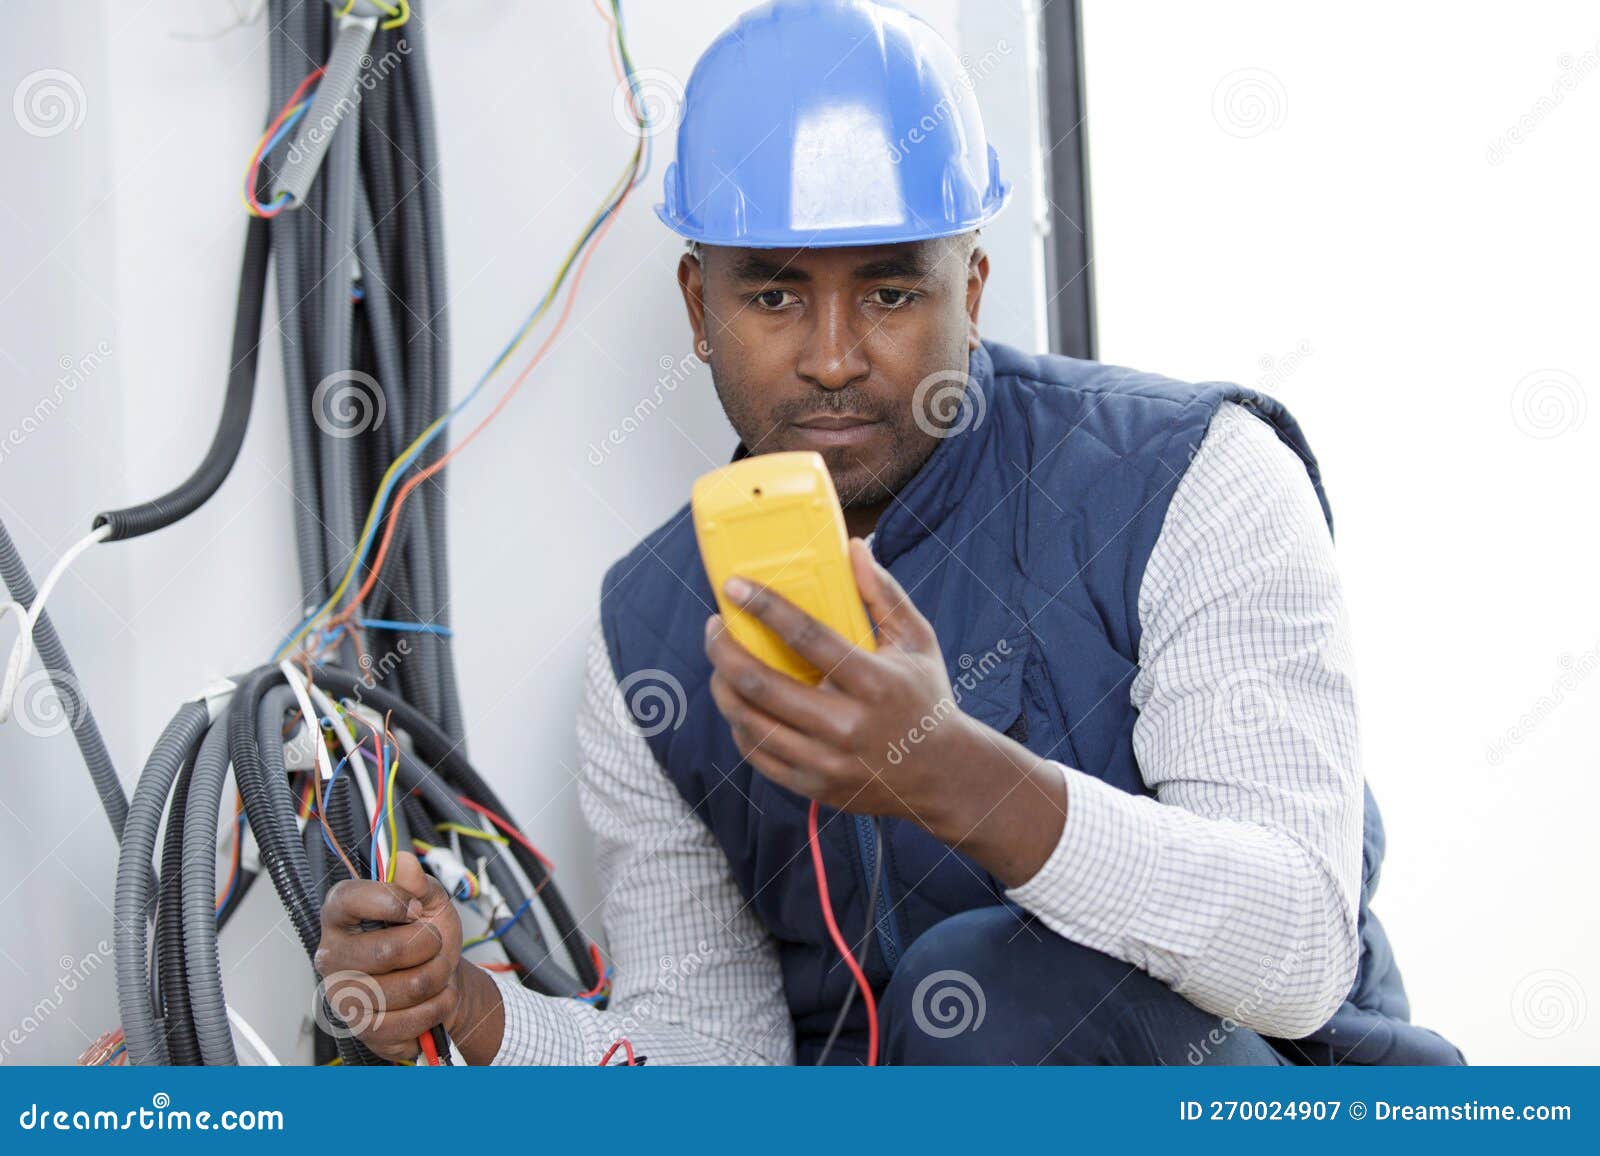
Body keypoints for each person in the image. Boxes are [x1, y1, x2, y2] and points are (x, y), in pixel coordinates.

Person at [315, 0, 1461, 1066]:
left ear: (973, 288)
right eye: (773, 296)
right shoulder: (646, 639)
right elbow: (718, 1065)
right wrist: (477, 1013)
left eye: (891, 294)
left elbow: (1299, 954)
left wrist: (959, 776)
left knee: (990, 989)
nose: (830, 358)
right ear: (698, 307)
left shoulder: (1189, 479)